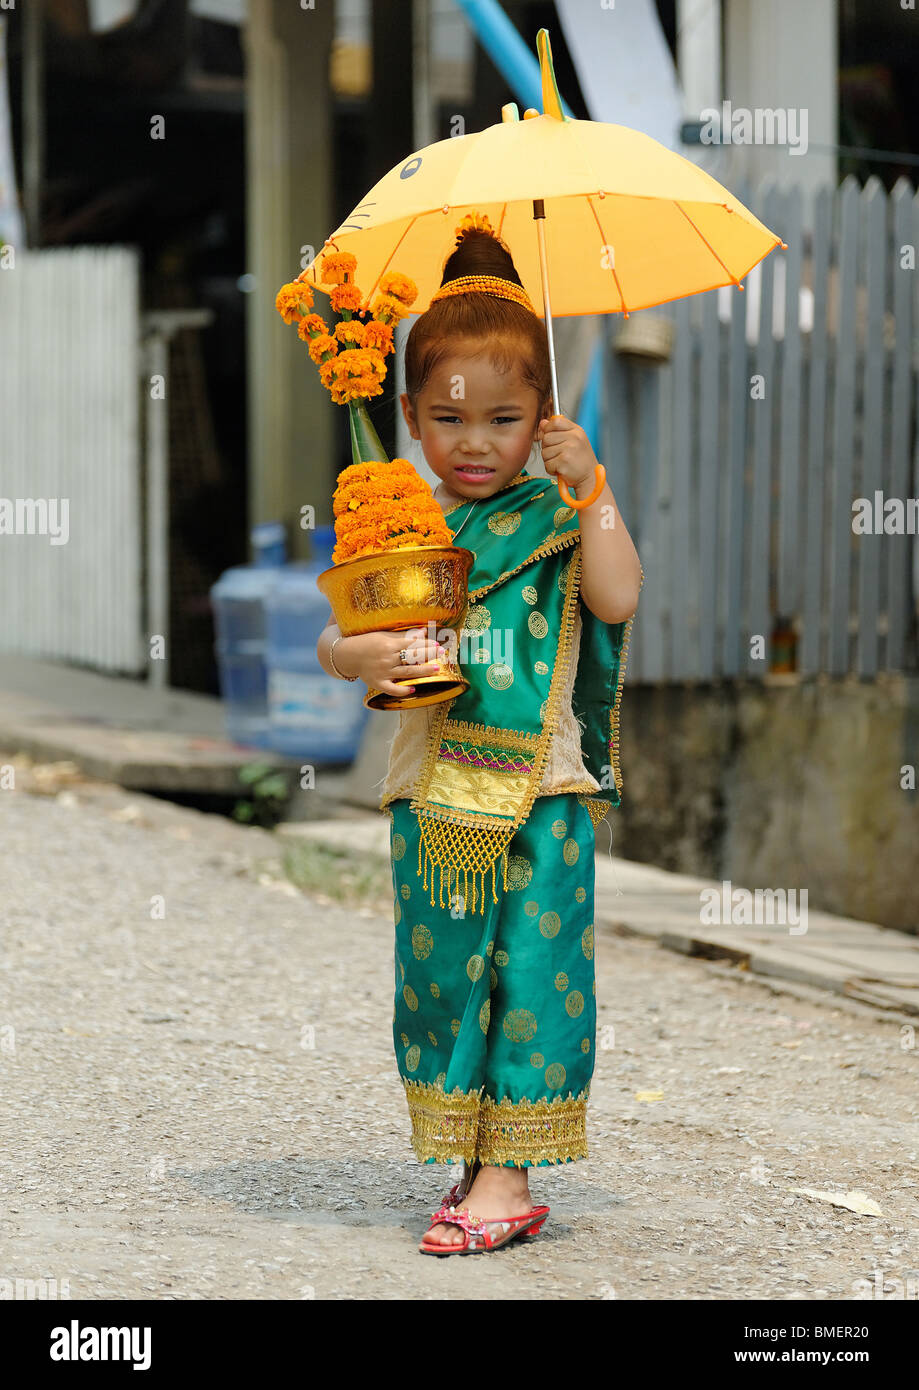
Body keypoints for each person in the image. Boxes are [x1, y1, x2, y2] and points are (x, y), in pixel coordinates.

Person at [317, 211, 642, 1255]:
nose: (475, 442)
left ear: (541, 413)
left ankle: (509, 1173)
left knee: (534, 976)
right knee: (446, 972)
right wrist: (360, 657)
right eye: (450, 418)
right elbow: (338, 638)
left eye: (505, 418)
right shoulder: (397, 522)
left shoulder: (557, 512)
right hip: (430, 793)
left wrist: (588, 484)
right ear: (410, 414)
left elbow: (620, 597)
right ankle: (472, 1154)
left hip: (540, 792)